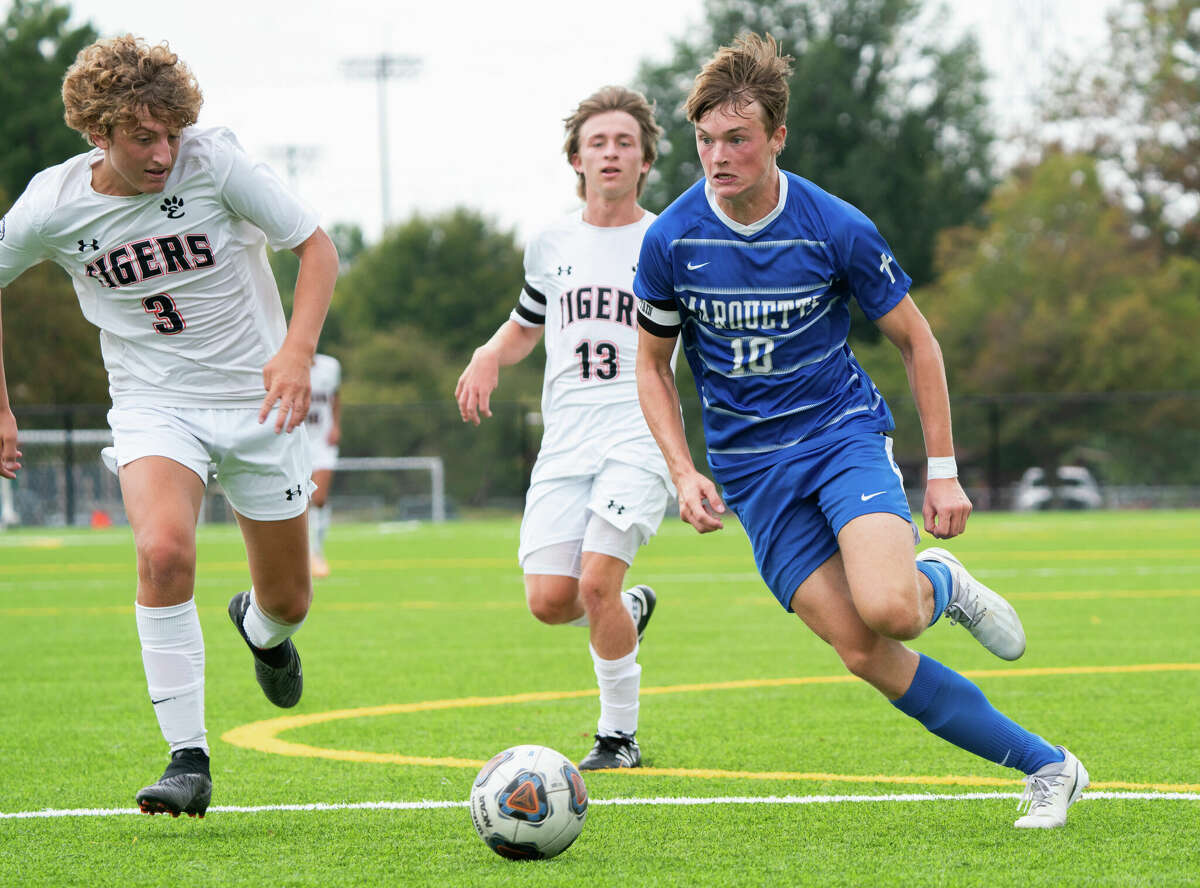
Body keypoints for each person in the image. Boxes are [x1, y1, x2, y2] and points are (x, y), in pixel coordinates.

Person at [634, 33, 1088, 828]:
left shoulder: (835, 226)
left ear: (777, 137)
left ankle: (937, 584)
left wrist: (941, 469)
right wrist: (682, 470)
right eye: (706, 140)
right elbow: (651, 365)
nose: (718, 156)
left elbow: (917, 340)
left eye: (737, 139)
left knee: (893, 608)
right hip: (752, 476)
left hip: (839, 436)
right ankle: (1049, 766)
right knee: (863, 652)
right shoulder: (671, 240)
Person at [0, 35, 338, 818]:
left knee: (288, 600)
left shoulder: (217, 164)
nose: (161, 153)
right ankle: (188, 757)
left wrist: (296, 350)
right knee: (160, 553)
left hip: (260, 404)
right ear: (98, 132)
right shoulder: (52, 205)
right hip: (156, 405)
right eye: (141, 137)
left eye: (171, 134)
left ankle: (261, 631)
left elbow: (316, 247)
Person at [456, 86, 672, 770]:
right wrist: (490, 354)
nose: (611, 152)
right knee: (552, 600)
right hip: (566, 439)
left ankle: (618, 738)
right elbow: (525, 326)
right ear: (575, 158)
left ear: (645, 160)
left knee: (595, 583)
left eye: (625, 143)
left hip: (639, 433)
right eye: (598, 142)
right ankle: (625, 614)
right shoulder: (551, 241)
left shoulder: (666, 238)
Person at [307, 352, 342, 578]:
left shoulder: (330, 366)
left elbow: (335, 398)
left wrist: (336, 425)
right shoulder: (280, 361)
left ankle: (315, 553)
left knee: (318, 498)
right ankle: (300, 555)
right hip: (293, 440)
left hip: (322, 443)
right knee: (298, 500)